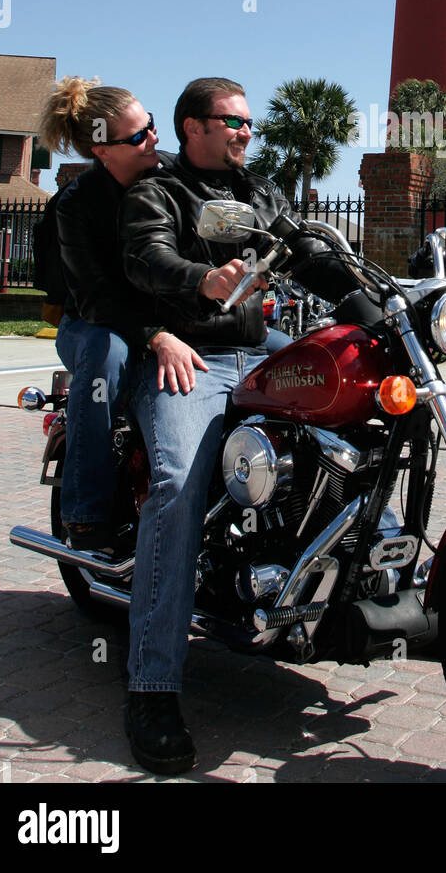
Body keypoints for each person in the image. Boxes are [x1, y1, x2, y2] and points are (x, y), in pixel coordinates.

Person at [118, 77, 290, 774]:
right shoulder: (157, 191)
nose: (246, 132)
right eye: (233, 122)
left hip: (259, 349)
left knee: (360, 416)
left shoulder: (261, 193)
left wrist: (384, 302)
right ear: (193, 126)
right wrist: (201, 279)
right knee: (178, 485)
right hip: (189, 354)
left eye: (250, 122)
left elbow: (307, 251)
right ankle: (152, 685)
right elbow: (146, 255)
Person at [38, 79, 208, 552]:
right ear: (103, 150)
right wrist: (156, 337)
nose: (153, 138)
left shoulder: (173, 173)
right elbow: (96, 299)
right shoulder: (76, 206)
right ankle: (85, 512)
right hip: (93, 324)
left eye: (150, 125)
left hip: (168, 320)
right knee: (107, 356)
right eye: (137, 136)